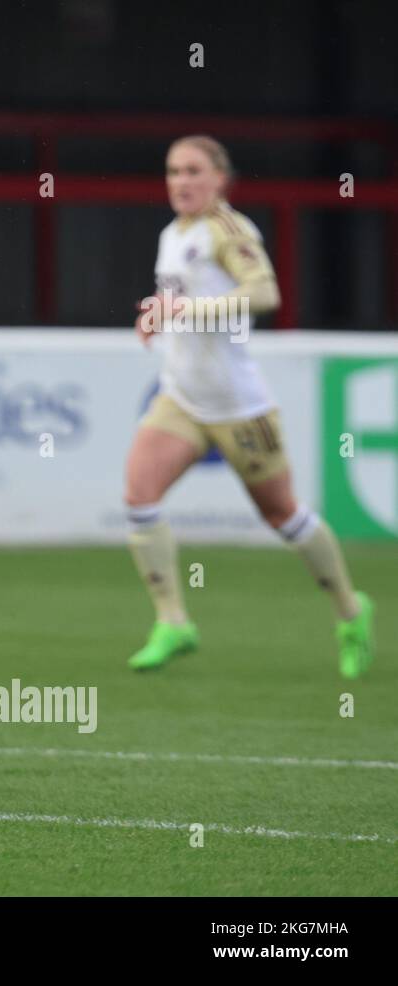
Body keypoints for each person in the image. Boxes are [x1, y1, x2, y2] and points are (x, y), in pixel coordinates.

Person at [124, 135, 374, 677]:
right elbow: (178, 308)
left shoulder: (228, 230)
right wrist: (159, 316)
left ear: (220, 179)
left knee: (283, 515)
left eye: (193, 171)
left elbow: (264, 293)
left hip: (239, 407)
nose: (181, 182)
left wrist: (181, 310)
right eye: (173, 171)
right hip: (182, 397)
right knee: (139, 497)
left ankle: (351, 613)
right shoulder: (173, 233)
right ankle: (173, 622)